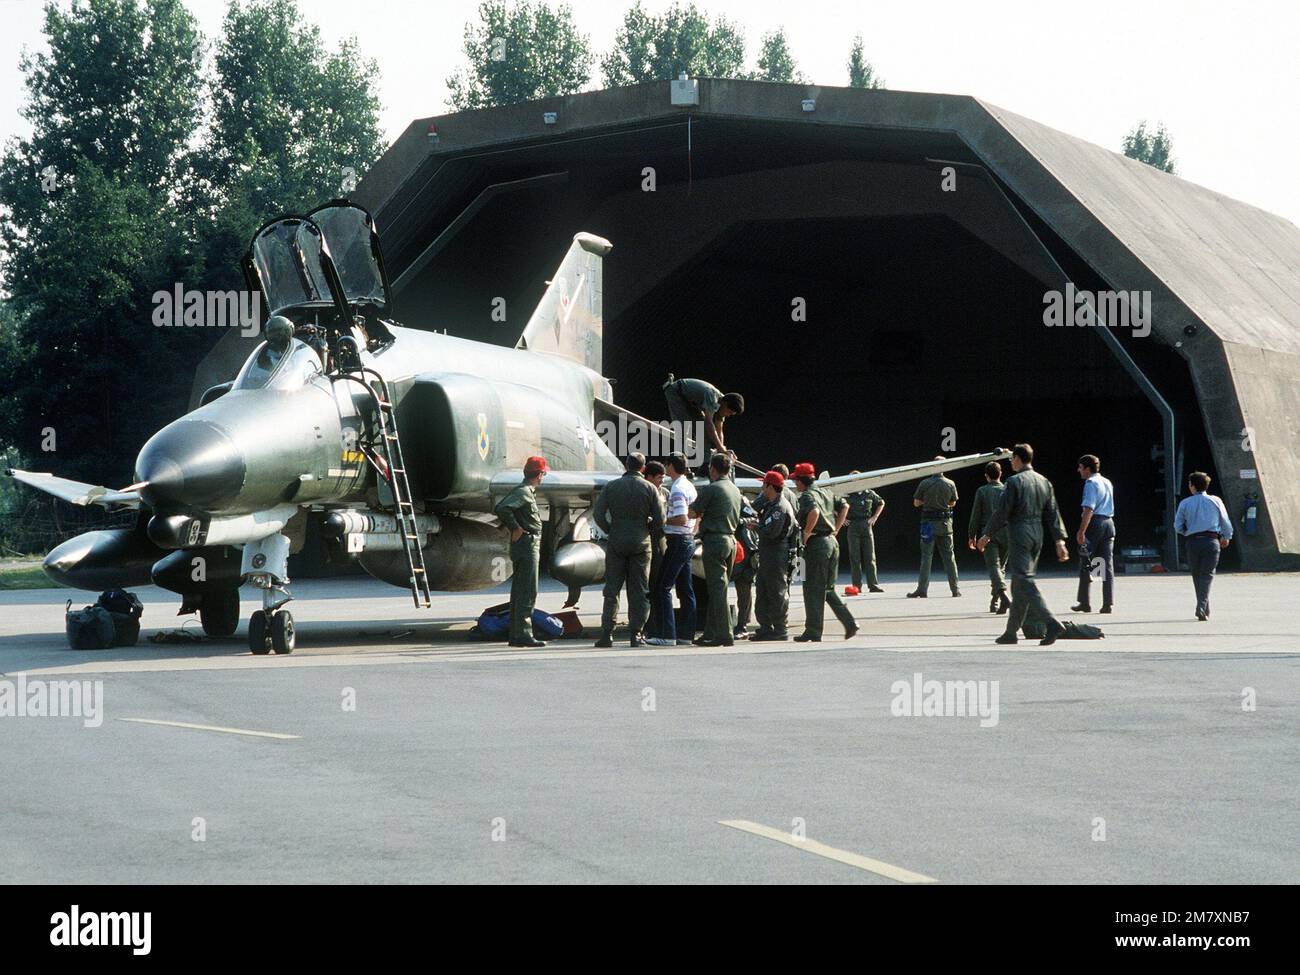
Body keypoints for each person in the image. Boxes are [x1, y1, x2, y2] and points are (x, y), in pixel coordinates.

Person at [978, 443, 1070, 645]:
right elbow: (1053, 512)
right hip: (1038, 533)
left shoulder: (1014, 482)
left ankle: (1051, 622)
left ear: (1018, 459)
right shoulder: (1043, 481)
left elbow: (1002, 512)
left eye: (1012, 459)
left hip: (1020, 533)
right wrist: (1059, 540)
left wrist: (986, 535)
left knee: (1024, 580)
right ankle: (1011, 632)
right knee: (1019, 585)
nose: (1011, 462)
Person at [592, 453, 664, 648]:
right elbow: (660, 519)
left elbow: (598, 513)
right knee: (639, 590)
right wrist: (646, 529)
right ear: (642, 468)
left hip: (616, 542)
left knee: (612, 589)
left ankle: (607, 634)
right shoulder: (650, 488)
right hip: (641, 543)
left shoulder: (611, 486)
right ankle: (636, 634)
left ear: (626, 465)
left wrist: (610, 530)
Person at [791, 462, 858, 642]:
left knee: (812, 589)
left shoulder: (807, 496)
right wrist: (835, 529)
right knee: (827, 588)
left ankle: (813, 631)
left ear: (801, 480)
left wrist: (806, 532)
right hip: (831, 543)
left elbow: (814, 512)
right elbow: (845, 506)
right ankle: (850, 622)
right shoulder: (827, 492)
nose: (795, 484)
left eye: (796, 480)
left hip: (817, 545)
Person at [688, 453, 744, 647]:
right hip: (730, 541)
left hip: (714, 542)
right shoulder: (735, 490)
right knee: (718, 589)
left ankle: (724, 634)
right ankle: (710, 632)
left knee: (717, 591)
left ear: (713, 469)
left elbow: (692, 512)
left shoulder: (711, 489)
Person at [493, 455, 548, 648]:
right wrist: (515, 528)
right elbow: (502, 508)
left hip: (526, 544)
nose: (543, 477)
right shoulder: (523, 492)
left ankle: (517, 635)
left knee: (520, 590)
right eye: (543, 473)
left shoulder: (526, 492)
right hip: (527, 544)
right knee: (527, 590)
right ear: (539, 474)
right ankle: (523, 634)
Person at [649, 452, 698, 647]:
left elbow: (681, 518)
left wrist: (659, 521)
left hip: (678, 541)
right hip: (688, 540)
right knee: (686, 590)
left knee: (662, 587)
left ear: (670, 466)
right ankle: (686, 635)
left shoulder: (677, 489)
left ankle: (667, 634)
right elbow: (695, 515)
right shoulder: (689, 486)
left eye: (666, 465)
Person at [1174, 471, 1233, 621]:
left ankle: (1202, 607)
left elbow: (1177, 526)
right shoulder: (1216, 501)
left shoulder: (1185, 503)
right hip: (1212, 541)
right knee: (1207, 574)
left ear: (1192, 486)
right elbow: (1225, 521)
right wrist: (1226, 537)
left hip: (1193, 542)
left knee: (1196, 575)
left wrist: (1186, 532)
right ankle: (1202, 607)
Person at [662, 375, 744, 472]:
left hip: (690, 401)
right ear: (725, 404)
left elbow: (719, 429)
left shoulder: (721, 406)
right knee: (684, 427)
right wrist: (720, 448)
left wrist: (721, 450)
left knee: (702, 430)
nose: (729, 415)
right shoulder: (712, 396)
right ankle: (681, 466)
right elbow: (709, 423)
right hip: (676, 392)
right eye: (729, 412)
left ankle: (705, 466)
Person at [751, 469, 796, 641]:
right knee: (762, 589)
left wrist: (756, 527)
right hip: (767, 554)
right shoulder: (771, 504)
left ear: (770, 486)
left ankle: (779, 628)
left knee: (777, 590)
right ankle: (765, 627)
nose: (762, 488)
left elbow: (773, 532)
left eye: (764, 484)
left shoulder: (780, 508)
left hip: (776, 554)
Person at [909, 457, 960, 598]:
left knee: (926, 557)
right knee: (949, 557)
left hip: (928, 525)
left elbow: (916, 503)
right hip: (945, 524)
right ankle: (955, 589)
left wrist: (929, 500)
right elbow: (953, 503)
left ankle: (922, 589)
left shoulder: (925, 483)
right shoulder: (950, 483)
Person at [1073, 454, 1116, 614]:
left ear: (1087, 469)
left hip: (1095, 523)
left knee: (1085, 559)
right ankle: (1107, 603)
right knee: (1107, 565)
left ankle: (1085, 602)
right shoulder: (1107, 481)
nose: (1079, 470)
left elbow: (1089, 508)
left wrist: (1081, 531)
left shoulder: (1090, 483)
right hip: (1109, 523)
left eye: (1080, 467)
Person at [968, 461, 1011, 614]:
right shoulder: (1007, 490)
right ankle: (995, 600)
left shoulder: (982, 491)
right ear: (1000, 474)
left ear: (986, 476)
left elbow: (975, 515)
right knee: (1001, 568)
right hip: (1007, 533)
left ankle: (1003, 595)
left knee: (993, 566)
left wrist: (971, 535)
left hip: (988, 533)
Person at [842, 475, 885, 595]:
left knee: (870, 556)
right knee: (855, 557)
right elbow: (835, 505)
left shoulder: (869, 493)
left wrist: (875, 517)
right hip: (853, 525)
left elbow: (881, 502)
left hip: (866, 524)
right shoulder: (847, 494)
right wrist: (843, 518)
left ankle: (873, 584)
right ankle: (857, 586)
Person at [643, 460, 669, 639]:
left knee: (658, 586)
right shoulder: (642, 492)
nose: (662, 481)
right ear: (649, 477)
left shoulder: (665, 493)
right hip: (645, 541)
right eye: (659, 478)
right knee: (645, 586)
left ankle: (657, 625)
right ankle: (646, 625)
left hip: (660, 542)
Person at [732, 498, 760, 639]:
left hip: (744, 550)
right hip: (731, 548)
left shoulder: (741, 500)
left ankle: (742, 625)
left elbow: (753, 516)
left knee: (743, 588)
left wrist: (738, 521)